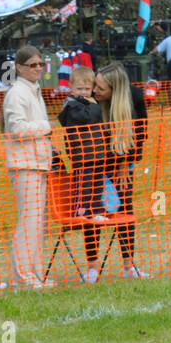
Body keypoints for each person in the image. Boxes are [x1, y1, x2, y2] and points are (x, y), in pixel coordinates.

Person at [88, 61, 149, 280]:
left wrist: (125, 165)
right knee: (93, 213)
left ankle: (128, 266)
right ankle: (92, 268)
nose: (95, 91)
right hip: (96, 163)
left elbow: (141, 136)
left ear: (115, 90)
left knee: (125, 210)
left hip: (124, 158)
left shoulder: (135, 98)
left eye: (100, 88)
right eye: (95, 85)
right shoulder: (92, 101)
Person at [1, 44, 54, 289]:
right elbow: (16, 129)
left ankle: (35, 272)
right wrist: (45, 126)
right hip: (24, 164)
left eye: (40, 64)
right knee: (29, 221)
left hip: (38, 163)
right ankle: (23, 276)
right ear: (20, 67)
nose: (37, 68)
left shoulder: (34, 90)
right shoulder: (17, 93)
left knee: (38, 222)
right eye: (32, 65)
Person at [58, 65, 107, 227]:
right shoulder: (72, 105)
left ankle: (96, 209)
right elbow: (88, 117)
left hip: (97, 153)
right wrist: (93, 105)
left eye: (87, 88)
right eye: (79, 88)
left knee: (97, 182)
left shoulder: (88, 102)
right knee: (84, 183)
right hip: (81, 155)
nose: (84, 92)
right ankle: (82, 209)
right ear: (71, 87)